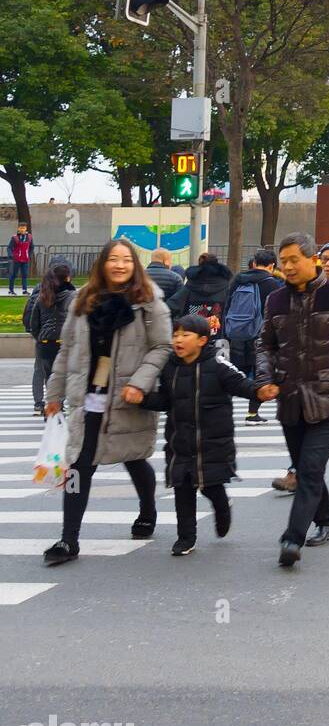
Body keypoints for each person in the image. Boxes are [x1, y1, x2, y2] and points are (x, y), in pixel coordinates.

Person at [41, 239, 171, 566]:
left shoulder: (149, 301)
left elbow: (162, 347)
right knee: (78, 466)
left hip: (127, 396)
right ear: (103, 264)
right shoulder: (83, 300)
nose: (119, 265)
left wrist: (139, 384)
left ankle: (148, 510)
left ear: (135, 265)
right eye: (113, 259)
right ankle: (69, 540)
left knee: (134, 458)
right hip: (88, 397)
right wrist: (53, 395)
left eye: (126, 260)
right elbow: (66, 350)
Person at [254, 232, 329, 566]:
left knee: (308, 469)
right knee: (308, 467)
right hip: (290, 398)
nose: (288, 267)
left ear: (314, 260)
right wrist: (264, 379)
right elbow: (265, 345)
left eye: (295, 260)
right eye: (283, 261)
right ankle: (327, 519)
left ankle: (292, 538)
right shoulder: (276, 300)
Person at [138, 314, 249, 556]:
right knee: (182, 488)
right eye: (175, 335)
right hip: (180, 441)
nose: (178, 340)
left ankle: (222, 508)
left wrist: (262, 391)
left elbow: (241, 384)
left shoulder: (217, 365)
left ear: (201, 340)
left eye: (185, 335)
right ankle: (186, 538)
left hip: (212, 442)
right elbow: (165, 400)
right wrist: (143, 399)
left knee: (211, 486)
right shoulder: (169, 368)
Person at [223, 248, 282, 424]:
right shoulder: (272, 285)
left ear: (254, 263)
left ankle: (221, 410)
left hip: (237, 334)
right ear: (272, 265)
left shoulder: (237, 281)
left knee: (231, 374)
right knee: (259, 375)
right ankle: (252, 413)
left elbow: (227, 305)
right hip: (260, 336)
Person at [29, 261, 76, 416]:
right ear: (67, 278)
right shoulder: (72, 296)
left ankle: (53, 407)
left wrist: (41, 337)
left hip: (45, 343)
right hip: (64, 343)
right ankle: (59, 406)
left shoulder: (43, 296)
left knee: (51, 377)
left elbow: (34, 323)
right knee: (66, 376)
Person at [168, 252, 234, 331]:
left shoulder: (189, 287)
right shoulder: (227, 288)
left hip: (192, 336)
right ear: (217, 265)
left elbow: (170, 307)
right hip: (219, 337)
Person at [7, 222, 33, 296]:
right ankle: (11, 290)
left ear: (26, 228)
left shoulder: (29, 237)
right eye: (21, 228)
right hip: (16, 259)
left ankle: (24, 290)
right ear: (18, 228)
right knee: (13, 275)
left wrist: (29, 254)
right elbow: (9, 248)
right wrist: (11, 256)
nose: (22, 229)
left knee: (24, 275)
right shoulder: (15, 237)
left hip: (25, 259)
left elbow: (32, 247)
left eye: (24, 228)